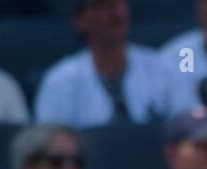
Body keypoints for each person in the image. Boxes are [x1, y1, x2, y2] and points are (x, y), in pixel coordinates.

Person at [34, 0, 197, 127]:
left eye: (120, 3)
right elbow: (52, 146)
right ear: (80, 20)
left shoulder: (164, 68)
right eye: (104, 5)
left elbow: (189, 127)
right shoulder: (59, 82)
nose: (116, 13)